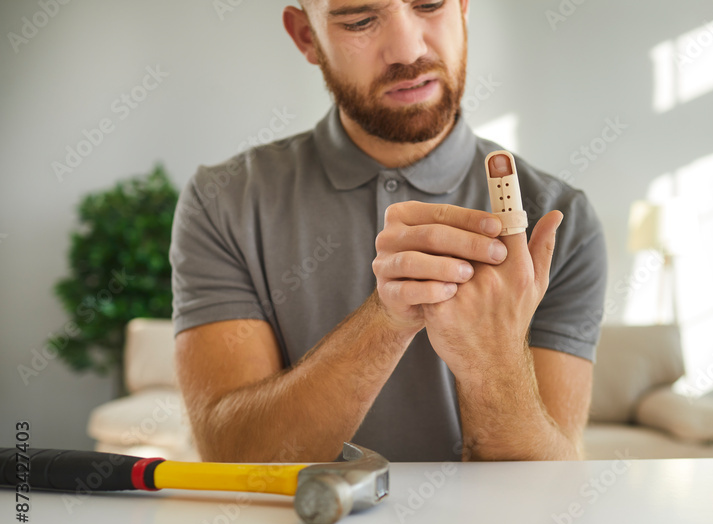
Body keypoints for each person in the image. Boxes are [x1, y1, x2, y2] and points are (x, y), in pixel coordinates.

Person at [169, 0, 607, 463]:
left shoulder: (562, 221)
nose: (406, 50)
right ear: (305, 37)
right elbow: (231, 456)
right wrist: (385, 320)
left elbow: (551, 491)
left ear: (462, 7)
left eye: (429, 4)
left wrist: (493, 364)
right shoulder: (222, 202)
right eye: (360, 20)